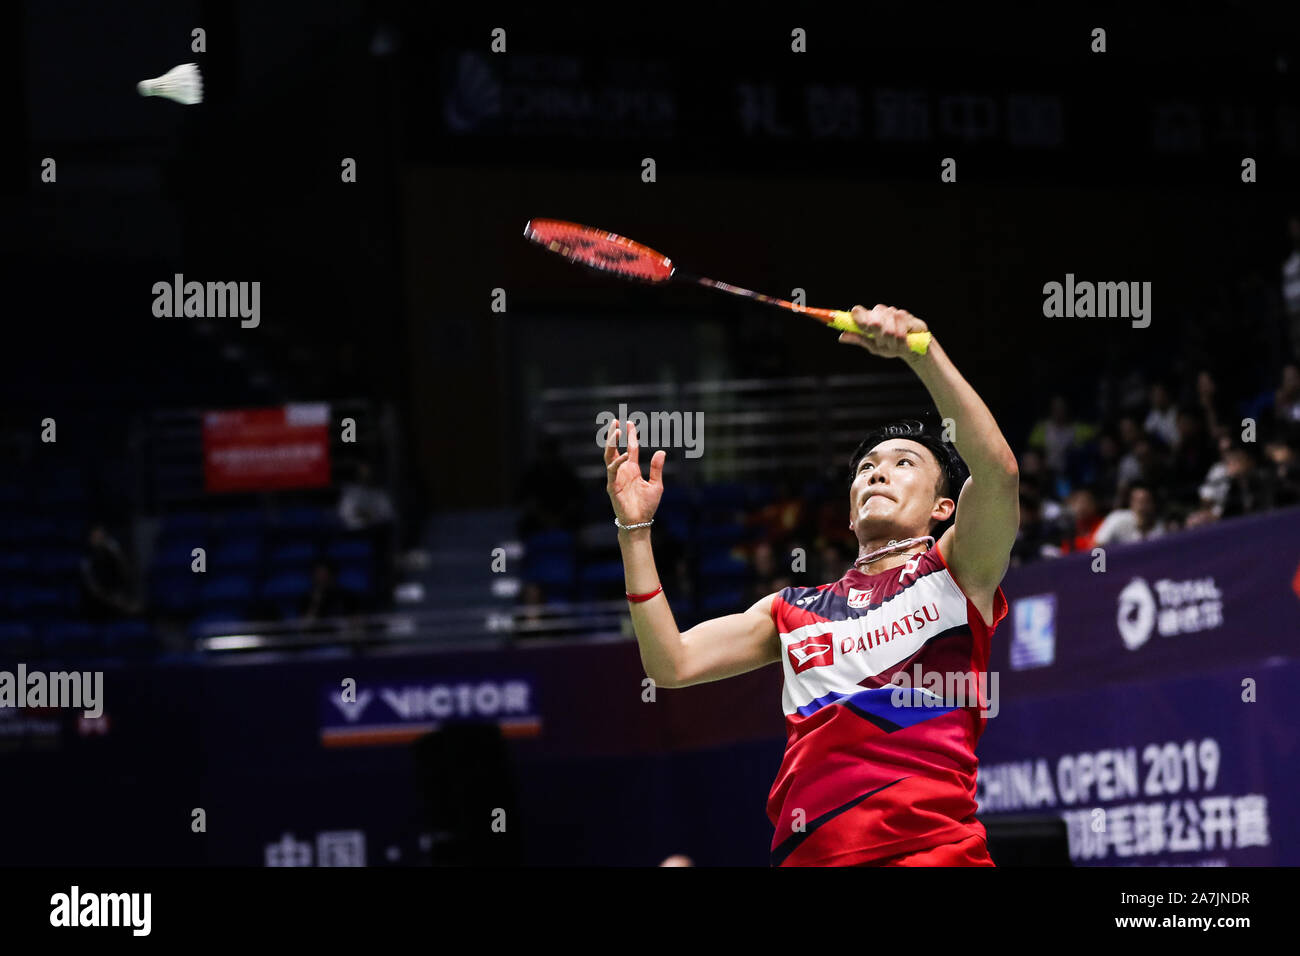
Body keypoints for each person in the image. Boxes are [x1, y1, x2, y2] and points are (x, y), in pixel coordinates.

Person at [604, 304, 1018, 867]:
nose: (877, 472)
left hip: (930, 855)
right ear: (849, 514)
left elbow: (997, 471)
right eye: (867, 467)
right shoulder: (792, 611)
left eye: (903, 463)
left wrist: (922, 353)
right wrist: (634, 531)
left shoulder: (958, 572)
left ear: (945, 507)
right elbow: (671, 663)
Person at [80, 523, 142, 620]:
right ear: (90, 538)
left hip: (118, 598)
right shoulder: (87, 560)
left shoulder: (112, 552)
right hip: (98, 606)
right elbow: (94, 589)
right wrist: (113, 600)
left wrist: (115, 551)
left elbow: (125, 571)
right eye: (96, 536)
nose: (99, 538)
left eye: (101, 535)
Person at [1093, 482, 1167, 546]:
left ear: (1154, 504)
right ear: (1130, 503)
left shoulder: (1161, 529)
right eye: (1137, 501)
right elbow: (1097, 546)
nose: (1141, 507)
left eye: (1146, 501)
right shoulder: (1117, 519)